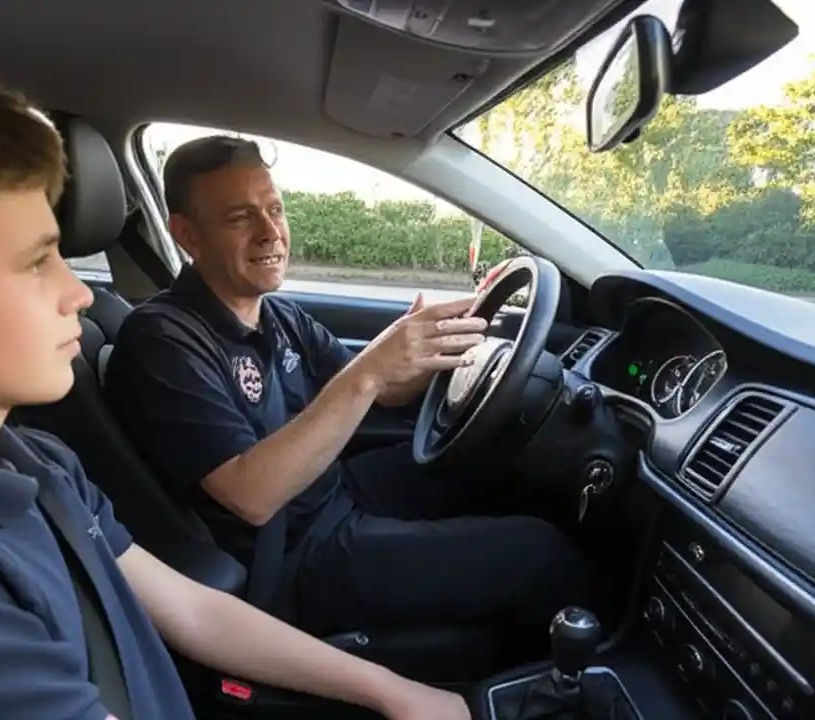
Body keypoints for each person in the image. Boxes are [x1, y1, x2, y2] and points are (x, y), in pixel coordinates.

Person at [0, 10, 470, 720]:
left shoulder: (26, 459)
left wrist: (394, 693)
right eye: (38, 263)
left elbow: (194, 612)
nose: (77, 293)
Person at [104, 136, 594, 646]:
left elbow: (385, 395)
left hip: (335, 491)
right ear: (187, 235)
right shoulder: (162, 341)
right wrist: (372, 370)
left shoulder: (280, 317)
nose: (271, 232)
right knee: (538, 554)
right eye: (240, 218)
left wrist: (454, 336)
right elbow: (252, 496)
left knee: (504, 471)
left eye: (275, 209)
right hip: (291, 556)